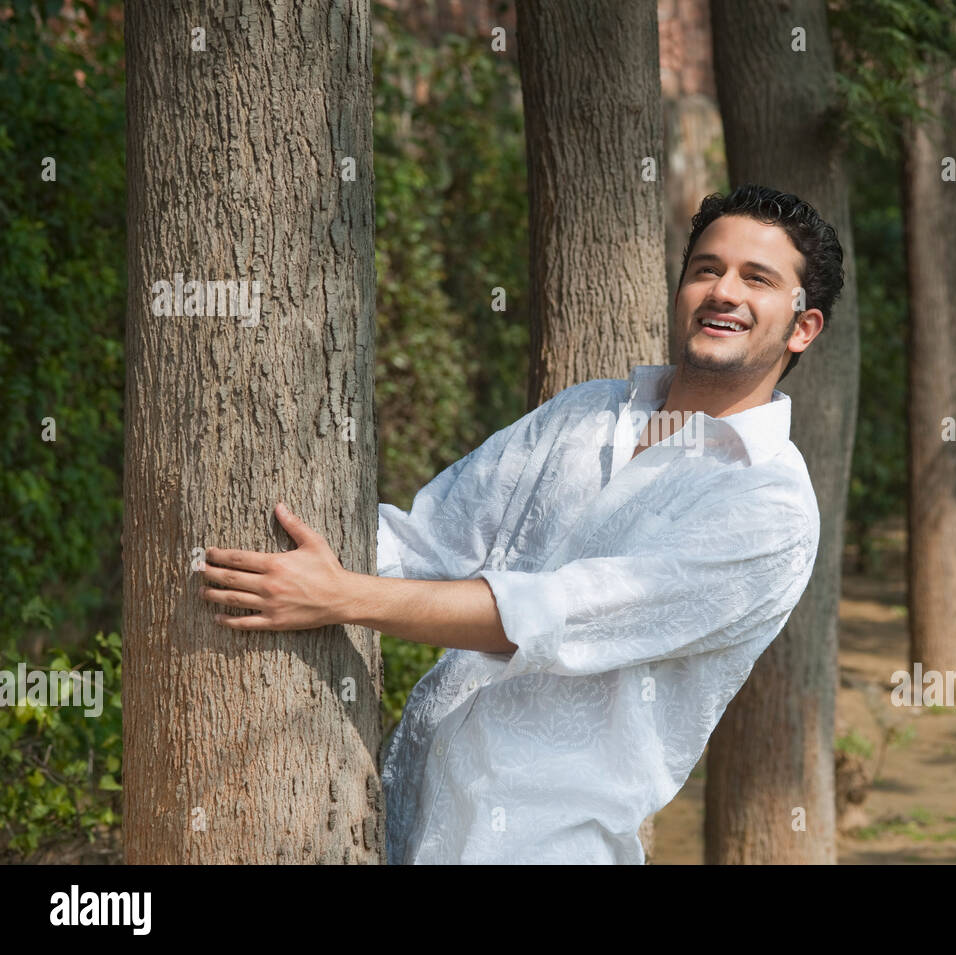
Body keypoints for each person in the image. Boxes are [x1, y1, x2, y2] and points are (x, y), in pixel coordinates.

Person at [199, 183, 844, 863]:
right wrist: (288, 561)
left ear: (804, 325)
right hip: (401, 814)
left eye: (759, 279)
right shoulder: (586, 412)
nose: (723, 291)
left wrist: (338, 597)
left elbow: (557, 615)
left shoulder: (771, 507)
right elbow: (426, 540)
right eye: (707, 268)